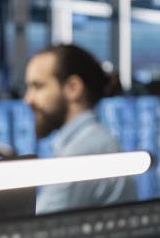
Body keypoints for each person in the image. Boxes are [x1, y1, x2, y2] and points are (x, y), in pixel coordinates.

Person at [23, 44, 137, 214]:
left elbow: (34, 229)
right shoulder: (89, 142)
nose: (28, 99)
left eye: (38, 86)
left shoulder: (84, 154)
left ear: (73, 88)